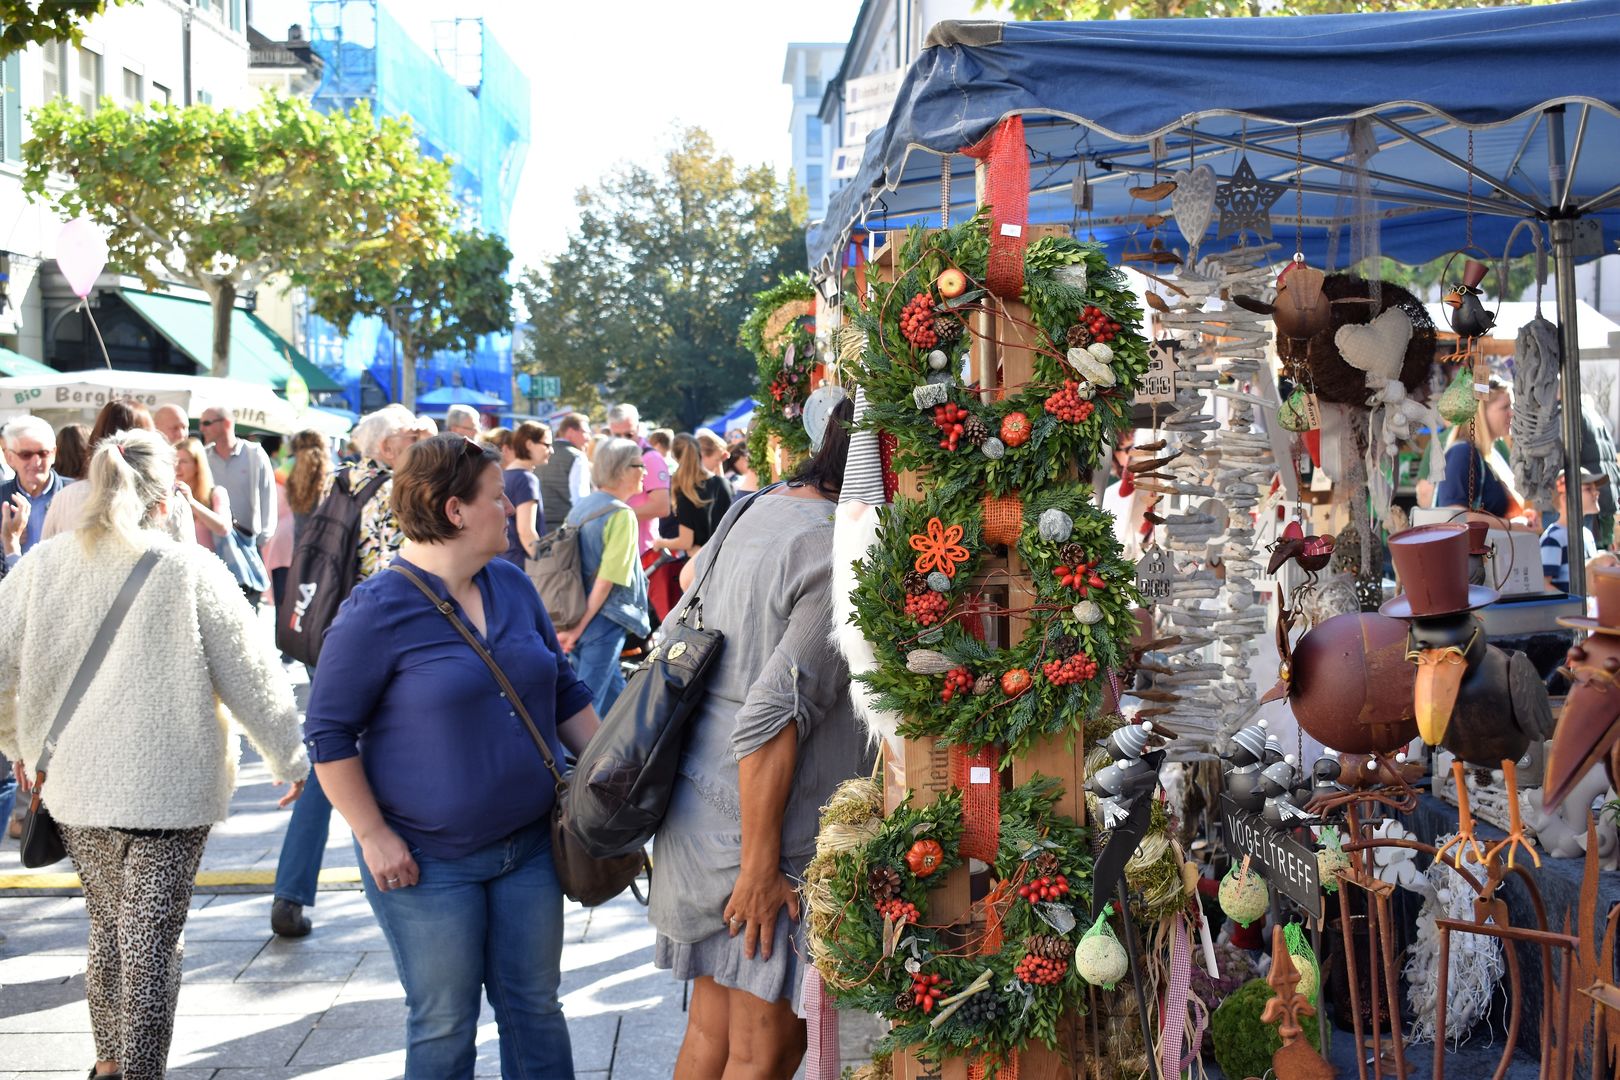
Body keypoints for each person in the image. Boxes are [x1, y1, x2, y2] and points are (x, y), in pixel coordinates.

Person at [0, 428, 308, 1080]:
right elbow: (251, 674)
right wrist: (290, 758)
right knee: (150, 944)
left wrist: (16, 744)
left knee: (111, 927)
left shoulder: (41, 565)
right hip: (170, 786)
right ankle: (140, 1073)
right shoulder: (188, 570)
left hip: (75, 785)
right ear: (165, 498)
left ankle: (110, 1063)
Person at [304, 434, 599, 1079]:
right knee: (444, 1020)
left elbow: (564, 687)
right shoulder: (376, 610)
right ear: (456, 510)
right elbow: (327, 735)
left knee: (535, 1007)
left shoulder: (511, 586)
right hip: (426, 862)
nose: (513, 509)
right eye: (498, 498)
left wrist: (611, 776)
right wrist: (373, 834)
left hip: (530, 845)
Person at [651, 396, 868, 1080]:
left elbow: (686, 601)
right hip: (760, 838)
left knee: (712, 1039)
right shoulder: (839, 547)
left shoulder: (761, 503)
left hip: (700, 809)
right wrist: (760, 871)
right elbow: (770, 715)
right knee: (763, 1052)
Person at [269, 407, 425, 939]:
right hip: (368, 640)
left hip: (324, 635)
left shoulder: (341, 482)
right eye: (414, 434)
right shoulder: (389, 491)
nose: (426, 439)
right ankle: (397, 885)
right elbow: (393, 570)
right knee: (356, 756)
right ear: (385, 447)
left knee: (330, 754)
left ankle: (291, 889)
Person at [557, 439, 651, 716]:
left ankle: (637, 747)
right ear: (622, 470)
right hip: (602, 618)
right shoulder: (621, 514)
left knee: (613, 698)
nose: (645, 471)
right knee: (586, 707)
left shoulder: (583, 507)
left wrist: (574, 625)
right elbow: (607, 580)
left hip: (578, 611)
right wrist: (578, 627)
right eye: (639, 465)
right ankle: (579, 759)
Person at [201, 405, 278, 604]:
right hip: (215, 544)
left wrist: (263, 538)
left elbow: (268, 495)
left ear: (226, 423)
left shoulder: (254, 454)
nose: (202, 428)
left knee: (248, 604)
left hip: (249, 542)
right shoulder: (203, 457)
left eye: (207, 423)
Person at [1434, 380, 1537, 526]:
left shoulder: (1490, 455)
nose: (1512, 413)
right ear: (1481, 412)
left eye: (1512, 406)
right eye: (1505, 407)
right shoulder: (1462, 453)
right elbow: (1455, 517)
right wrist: (1511, 525)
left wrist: (1517, 520)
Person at [653, 433, 734, 559]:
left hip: (700, 564)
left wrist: (659, 542)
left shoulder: (686, 491)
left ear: (675, 456)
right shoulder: (724, 484)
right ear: (699, 453)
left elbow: (686, 542)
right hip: (727, 558)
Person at [606, 403, 671, 554]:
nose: (623, 440)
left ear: (638, 429)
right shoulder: (612, 456)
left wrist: (617, 516)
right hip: (618, 547)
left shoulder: (650, 458)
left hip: (641, 551)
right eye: (617, 435)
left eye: (629, 435)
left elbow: (662, 506)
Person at [0, 416, 69, 554]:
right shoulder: (2, 495)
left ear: (54, 453)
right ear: (10, 457)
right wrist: (5, 542)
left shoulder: (77, 494)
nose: (36, 462)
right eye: (26, 454)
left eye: (43, 453)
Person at [1541, 468, 1616, 592]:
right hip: (1571, 611)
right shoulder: (1553, 538)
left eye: (1595, 488)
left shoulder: (1586, 534)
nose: (1596, 493)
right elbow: (1543, 585)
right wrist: (1574, 605)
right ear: (1565, 499)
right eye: (1588, 489)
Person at [500, 421, 552, 566]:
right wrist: (546, 563)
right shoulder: (526, 479)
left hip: (506, 560)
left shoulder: (505, 475)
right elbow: (526, 531)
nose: (551, 450)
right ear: (529, 444)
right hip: (523, 564)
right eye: (546, 445)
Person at [174, 437, 233, 550]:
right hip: (178, 563)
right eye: (174, 461)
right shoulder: (170, 494)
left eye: (183, 461)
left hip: (207, 565)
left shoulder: (215, 493)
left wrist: (191, 503)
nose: (177, 466)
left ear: (197, 465)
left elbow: (224, 529)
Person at [539, 413, 592, 535]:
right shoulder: (577, 457)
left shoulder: (540, 452)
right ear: (571, 432)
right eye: (585, 432)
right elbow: (580, 499)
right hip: (565, 530)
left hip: (538, 526)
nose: (589, 438)